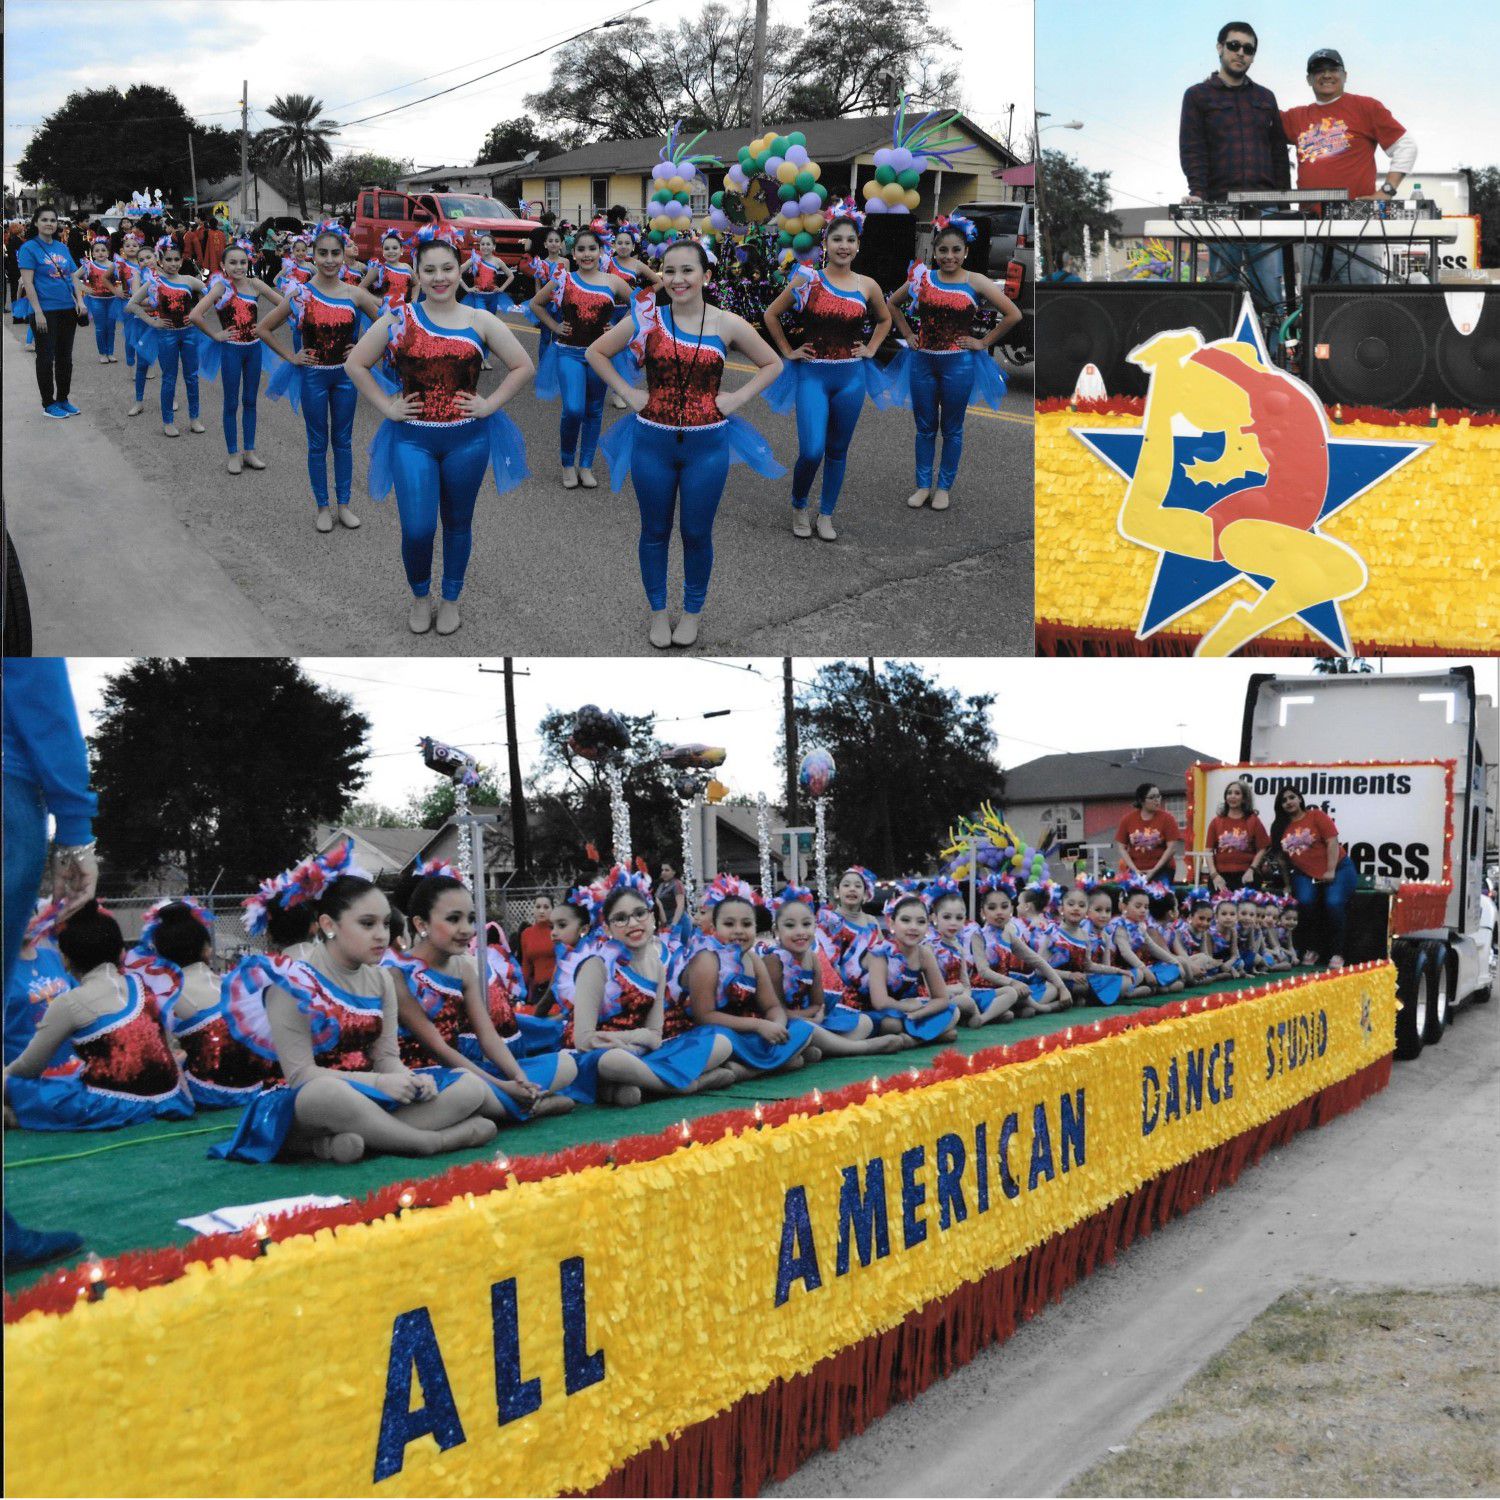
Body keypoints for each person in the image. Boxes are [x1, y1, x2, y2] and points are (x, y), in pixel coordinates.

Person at [212, 874, 496, 1163]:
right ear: (328, 925)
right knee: (326, 1093)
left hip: (369, 1098)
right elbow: (301, 1076)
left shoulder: (382, 978)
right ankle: (428, 1141)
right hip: (302, 1102)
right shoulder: (292, 982)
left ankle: (346, 1142)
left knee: (468, 1086)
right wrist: (377, 1083)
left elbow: (386, 1057)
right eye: (367, 924)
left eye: (385, 924)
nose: (382, 935)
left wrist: (411, 1080)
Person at [587, 240, 785, 649]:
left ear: (706, 276)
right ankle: (658, 612)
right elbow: (596, 352)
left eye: (687, 271)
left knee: (697, 532)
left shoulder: (726, 323)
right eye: (669, 271)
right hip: (651, 442)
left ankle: (692, 612)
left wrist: (736, 398)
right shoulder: (647, 319)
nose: (677, 279)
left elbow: (773, 363)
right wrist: (629, 391)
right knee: (654, 531)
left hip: (707, 446)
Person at [346, 228, 533, 636]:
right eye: (429, 270)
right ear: (416, 272)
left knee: (458, 522)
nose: (440, 277)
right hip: (413, 438)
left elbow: (523, 365)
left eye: (447, 268)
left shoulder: (479, 319)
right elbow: (356, 363)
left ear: (458, 268)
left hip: (468, 438)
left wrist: (489, 403)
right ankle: (419, 596)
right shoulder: (399, 317)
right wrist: (387, 406)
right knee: (417, 527)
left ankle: (451, 598)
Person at [386, 869, 575, 1124]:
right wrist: (503, 1085)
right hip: (426, 1077)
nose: (467, 929)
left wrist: (519, 1078)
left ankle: (516, 1102)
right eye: (454, 919)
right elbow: (439, 1049)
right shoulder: (399, 973)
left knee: (566, 1066)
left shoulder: (464, 968)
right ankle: (526, 1107)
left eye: (471, 919)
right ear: (421, 924)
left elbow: (488, 1037)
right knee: (470, 1091)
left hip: (464, 1071)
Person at [761, 209, 893, 540]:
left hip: (852, 377)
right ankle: (799, 505)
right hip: (812, 376)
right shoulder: (808, 280)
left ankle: (827, 514)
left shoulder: (868, 285)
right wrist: (787, 351)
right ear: (825, 243)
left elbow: (885, 319)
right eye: (837, 239)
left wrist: (873, 348)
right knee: (811, 450)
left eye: (850, 240)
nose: (843, 246)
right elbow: (771, 314)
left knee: (837, 450)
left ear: (858, 245)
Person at [4, 902, 194, 1130]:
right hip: (168, 1098)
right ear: (120, 951)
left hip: (107, 1101)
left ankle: (16, 1116)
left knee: (35, 1092)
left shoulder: (66, 992)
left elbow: (27, 1068)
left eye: (29, 912)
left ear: (65, 959)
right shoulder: (141, 984)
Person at [885, 215, 1019, 513]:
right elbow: (892, 303)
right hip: (922, 362)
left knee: (952, 428)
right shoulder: (922, 278)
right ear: (934, 251)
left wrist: (983, 342)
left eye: (956, 250)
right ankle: (922, 486)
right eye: (943, 250)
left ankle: (944, 487)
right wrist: (907, 333)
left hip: (958, 365)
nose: (949, 256)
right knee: (924, 428)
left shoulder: (976, 281)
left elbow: (1013, 314)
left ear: (966, 252)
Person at [259, 223, 385, 532]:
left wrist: (365, 351)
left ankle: (344, 505)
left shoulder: (355, 294)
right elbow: (263, 328)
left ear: (344, 256)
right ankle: (323, 507)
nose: (329, 259)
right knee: (317, 443)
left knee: (342, 441)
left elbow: (388, 330)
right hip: (313, 377)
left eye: (335, 253)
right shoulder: (300, 294)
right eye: (323, 253)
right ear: (312, 256)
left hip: (345, 378)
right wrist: (291, 356)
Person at [564, 879, 733, 1104]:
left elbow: (655, 1034)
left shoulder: (656, 964)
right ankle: (684, 1086)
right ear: (607, 928)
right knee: (612, 1062)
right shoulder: (596, 965)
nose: (633, 922)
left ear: (652, 917)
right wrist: (635, 1038)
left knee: (721, 1042)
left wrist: (643, 1041)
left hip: (645, 1052)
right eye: (621, 918)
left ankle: (638, 1086)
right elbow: (583, 1040)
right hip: (605, 1052)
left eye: (639, 913)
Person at [1178, 21, 1290, 317]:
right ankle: (1222, 360)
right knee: (1222, 292)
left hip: (1265, 207)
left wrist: (1284, 206)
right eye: (1234, 45)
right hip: (1219, 205)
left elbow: (1279, 153)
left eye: (1248, 49)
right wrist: (1198, 193)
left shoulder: (1265, 98)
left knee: (1270, 293)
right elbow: (1193, 148)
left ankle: (1271, 358)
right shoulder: (1198, 96)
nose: (1241, 53)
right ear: (1220, 48)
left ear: (1253, 56)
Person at [1281, 49, 1416, 287]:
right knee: (1314, 304)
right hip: (1309, 225)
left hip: (1356, 222)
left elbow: (1405, 147)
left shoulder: (1366, 107)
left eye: (1332, 69)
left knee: (1360, 301)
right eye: (1318, 71)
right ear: (1309, 79)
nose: (1326, 75)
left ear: (1344, 75)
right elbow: (1256, 120)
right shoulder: (1296, 117)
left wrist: (1386, 192)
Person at [681, 878, 820, 1074]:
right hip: (712, 1034)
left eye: (746, 924)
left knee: (801, 1029)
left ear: (756, 928)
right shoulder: (707, 958)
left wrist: (777, 1026)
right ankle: (769, 1065)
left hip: (749, 1034)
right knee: (722, 1043)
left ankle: (747, 1069)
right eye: (729, 924)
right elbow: (704, 1016)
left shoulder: (753, 959)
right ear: (714, 928)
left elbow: (772, 1006)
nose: (738, 931)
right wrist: (759, 1025)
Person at [530, 226, 632, 490]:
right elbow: (536, 304)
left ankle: (585, 465)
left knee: (594, 410)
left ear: (601, 252)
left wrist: (620, 330)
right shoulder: (564, 279)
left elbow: (642, 307)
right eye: (581, 249)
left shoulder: (612, 281)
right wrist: (554, 327)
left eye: (592, 249)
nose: (587, 254)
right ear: (573, 253)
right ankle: (567, 463)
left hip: (600, 356)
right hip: (569, 353)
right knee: (573, 408)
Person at [758, 887, 908, 1054]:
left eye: (806, 924)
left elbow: (818, 1004)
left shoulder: (812, 957)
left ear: (815, 927)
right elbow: (775, 1012)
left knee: (864, 1021)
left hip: (812, 1020)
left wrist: (816, 1016)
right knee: (804, 1029)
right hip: (785, 1023)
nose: (800, 932)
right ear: (776, 931)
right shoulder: (773, 960)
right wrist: (810, 1018)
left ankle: (823, 1046)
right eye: (790, 926)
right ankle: (858, 1048)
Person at [188, 239, 280, 474]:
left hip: (254, 349)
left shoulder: (255, 283)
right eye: (233, 263)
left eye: (242, 262)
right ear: (223, 265)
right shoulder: (221, 287)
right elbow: (196, 314)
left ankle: (249, 451)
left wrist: (266, 327)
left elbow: (284, 305)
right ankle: (233, 453)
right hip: (231, 350)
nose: (238, 267)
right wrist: (215, 335)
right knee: (231, 402)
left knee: (250, 401)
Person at [125, 238, 207, 438]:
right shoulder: (155, 281)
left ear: (181, 260)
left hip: (188, 334)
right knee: (169, 378)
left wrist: (197, 312)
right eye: (168, 259)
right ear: (162, 260)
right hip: (166, 335)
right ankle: (168, 421)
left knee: (192, 377)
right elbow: (131, 304)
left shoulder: (188, 280)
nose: (173, 263)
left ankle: (194, 418)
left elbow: (213, 292)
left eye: (176, 259)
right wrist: (153, 322)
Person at [1268, 786, 1356, 967]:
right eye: (1283, 800)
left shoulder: (1316, 815)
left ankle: (1338, 953)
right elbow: (1282, 861)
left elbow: (1332, 842)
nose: (1288, 802)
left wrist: (1330, 870)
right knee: (1305, 902)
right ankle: (1312, 949)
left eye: (1291, 797)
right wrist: (1287, 884)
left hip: (1338, 868)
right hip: (1305, 874)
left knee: (1334, 903)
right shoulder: (1279, 827)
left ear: (1300, 799)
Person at [856, 891, 960, 1042]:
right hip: (871, 1012)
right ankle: (928, 1036)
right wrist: (907, 1007)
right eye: (906, 920)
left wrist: (918, 1013)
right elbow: (880, 1002)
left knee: (954, 1011)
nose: (913, 927)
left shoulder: (924, 953)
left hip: (909, 1011)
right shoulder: (880, 952)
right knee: (892, 1025)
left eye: (920, 922)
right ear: (892, 923)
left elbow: (941, 998)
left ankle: (911, 1041)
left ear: (928, 925)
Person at [16, 206, 87, 417]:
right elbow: (27, 283)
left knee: (65, 358)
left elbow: (74, 276)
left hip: (67, 309)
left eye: (53, 220)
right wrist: (37, 311)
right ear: (36, 223)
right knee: (46, 358)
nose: (49, 223)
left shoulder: (62, 247)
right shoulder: (29, 248)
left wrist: (80, 301)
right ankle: (48, 404)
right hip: (44, 311)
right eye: (44, 219)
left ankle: (63, 399)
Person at [1204, 778, 1270, 891]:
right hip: (1220, 875)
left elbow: (1262, 848)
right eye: (1229, 793)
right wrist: (1214, 875)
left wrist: (1252, 870)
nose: (1232, 796)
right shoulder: (1216, 822)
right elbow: (1208, 850)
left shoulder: (1253, 820)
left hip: (1247, 875)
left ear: (1244, 798)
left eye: (1237, 793)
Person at [1114, 782, 1184, 883]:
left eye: (1158, 796)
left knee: (1159, 895)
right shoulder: (1128, 820)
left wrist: (1154, 871)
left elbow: (1172, 848)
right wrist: (1135, 870)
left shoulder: (1167, 819)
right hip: (1136, 869)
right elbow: (1121, 847)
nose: (1157, 800)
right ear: (1141, 800)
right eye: (1152, 797)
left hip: (1162, 870)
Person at [73, 236, 122, 363]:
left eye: (103, 250)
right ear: (92, 253)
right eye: (97, 250)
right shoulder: (88, 265)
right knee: (100, 327)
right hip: (96, 300)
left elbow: (123, 280)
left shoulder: (114, 265)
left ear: (108, 252)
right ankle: (102, 353)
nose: (100, 253)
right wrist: (85, 288)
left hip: (112, 300)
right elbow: (73, 277)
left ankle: (110, 352)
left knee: (111, 327)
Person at [519, 893, 558, 1004]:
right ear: (533, 910)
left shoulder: (558, 931)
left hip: (558, 989)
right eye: (538, 907)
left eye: (546, 907)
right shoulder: (526, 933)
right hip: (538, 990)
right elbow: (526, 964)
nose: (541, 911)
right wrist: (521, 991)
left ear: (552, 909)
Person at [183, 210, 227, 278]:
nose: (195, 220)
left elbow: (203, 243)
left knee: (209, 270)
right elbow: (224, 244)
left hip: (205, 253)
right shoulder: (221, 233)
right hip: (218, 254)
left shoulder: (206, 232)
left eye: (196, 218)